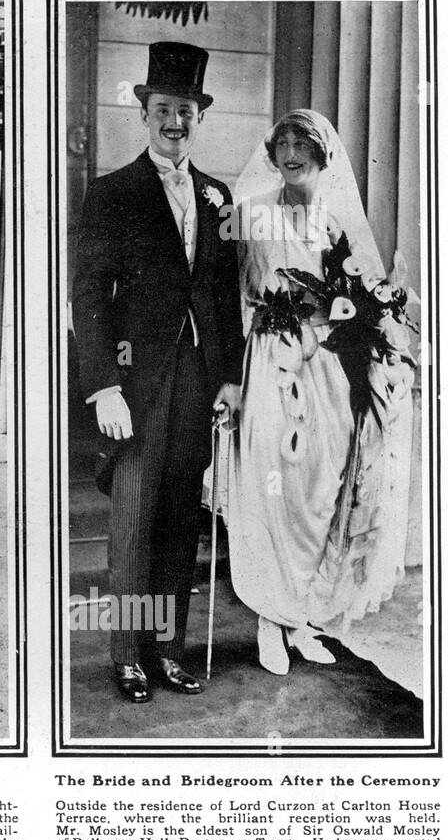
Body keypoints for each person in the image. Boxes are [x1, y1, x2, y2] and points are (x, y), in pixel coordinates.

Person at [72, 42, 245, 704]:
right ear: (145, 112)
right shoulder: (113, 193)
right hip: (135, 384)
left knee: (179, 521)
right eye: (164, 109)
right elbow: (88, 295)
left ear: (199, 116)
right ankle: (128, 657)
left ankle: (169, 651)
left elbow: (223, 292)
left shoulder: (217, 194)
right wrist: (103, 386)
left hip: (198, 381)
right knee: (134, 525)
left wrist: (228, 378)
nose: (176, 122)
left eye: (187, 111)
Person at [227, 110, 415, 674]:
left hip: (328, 369)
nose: (291, 152)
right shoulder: (250, 216)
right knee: (274, 489)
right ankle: (269, 619)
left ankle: (303, 617)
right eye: (282, 143)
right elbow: (227, 294)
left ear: (323, 154)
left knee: (321, 491)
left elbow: (365, 297)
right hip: (272, 363)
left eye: (302, 143)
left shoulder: (337, 225)